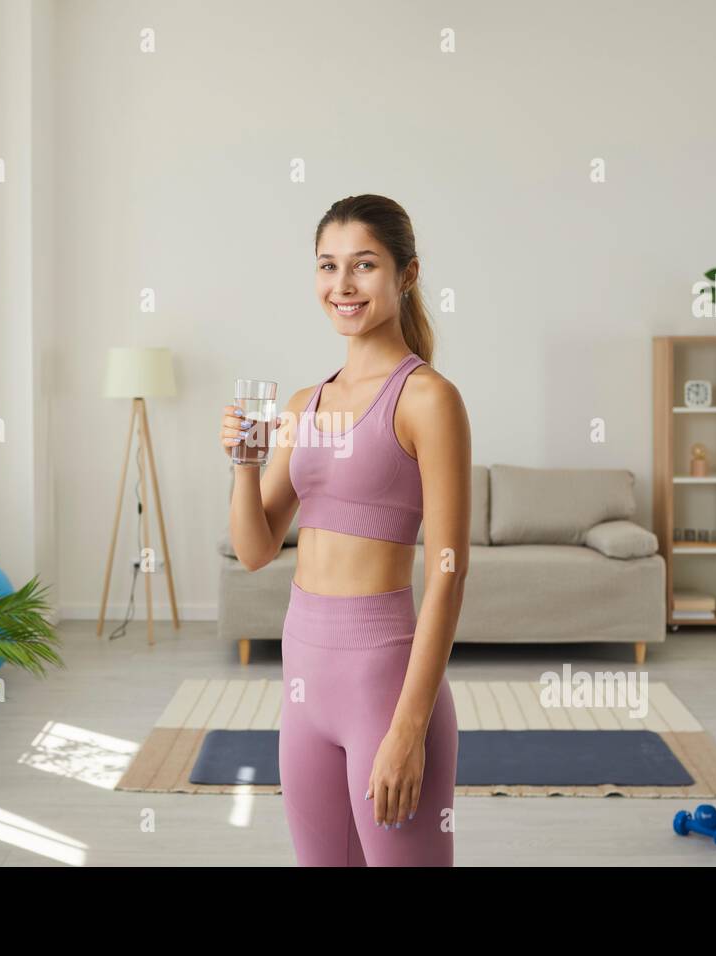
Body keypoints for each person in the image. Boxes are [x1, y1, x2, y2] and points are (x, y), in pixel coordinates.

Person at [220, 194, 472, 865]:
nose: (343, 285)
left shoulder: (428, 399)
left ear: (406, 275)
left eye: (363, 265)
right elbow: (255, 550)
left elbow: (449, 574)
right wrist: (245, 467)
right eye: (328, 266)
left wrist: (408, 729)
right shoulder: (306, 404)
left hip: (383, 682)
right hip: (304, 674)